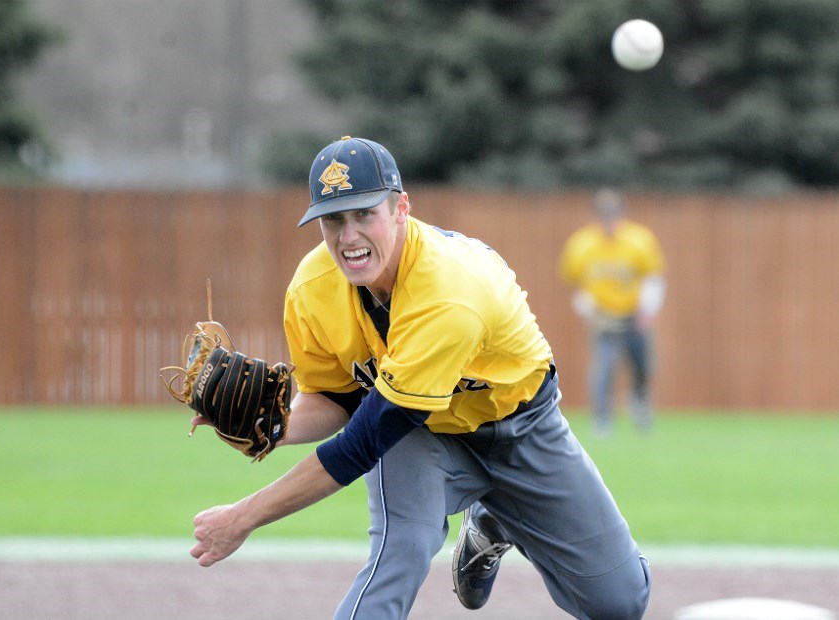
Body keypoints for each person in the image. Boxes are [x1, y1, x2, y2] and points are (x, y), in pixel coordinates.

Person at [190, 137, 651, 619]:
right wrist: (277, 426)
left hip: (521, 426)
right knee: (401, 550)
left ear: (400, 208)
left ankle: (492, 522)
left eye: (364, 214)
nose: (348, 237)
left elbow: (358, 446)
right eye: (333, 219)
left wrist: (243, 518)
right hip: (421, 433)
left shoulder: (448, 294)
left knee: (620, 603)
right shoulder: (312, 290)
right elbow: (338, 398)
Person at [559, 189, 667, 437]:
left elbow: (653, 277)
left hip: (633, 315)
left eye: (613, 214)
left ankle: (639, 404)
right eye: (604, 215)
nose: (610, 221)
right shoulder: (582, 243)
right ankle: (603, 418)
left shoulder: (640, 239)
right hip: (604, 318)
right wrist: (588, 311)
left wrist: (647, 310)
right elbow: (574, 283)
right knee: (604, 368)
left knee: (642, 365)